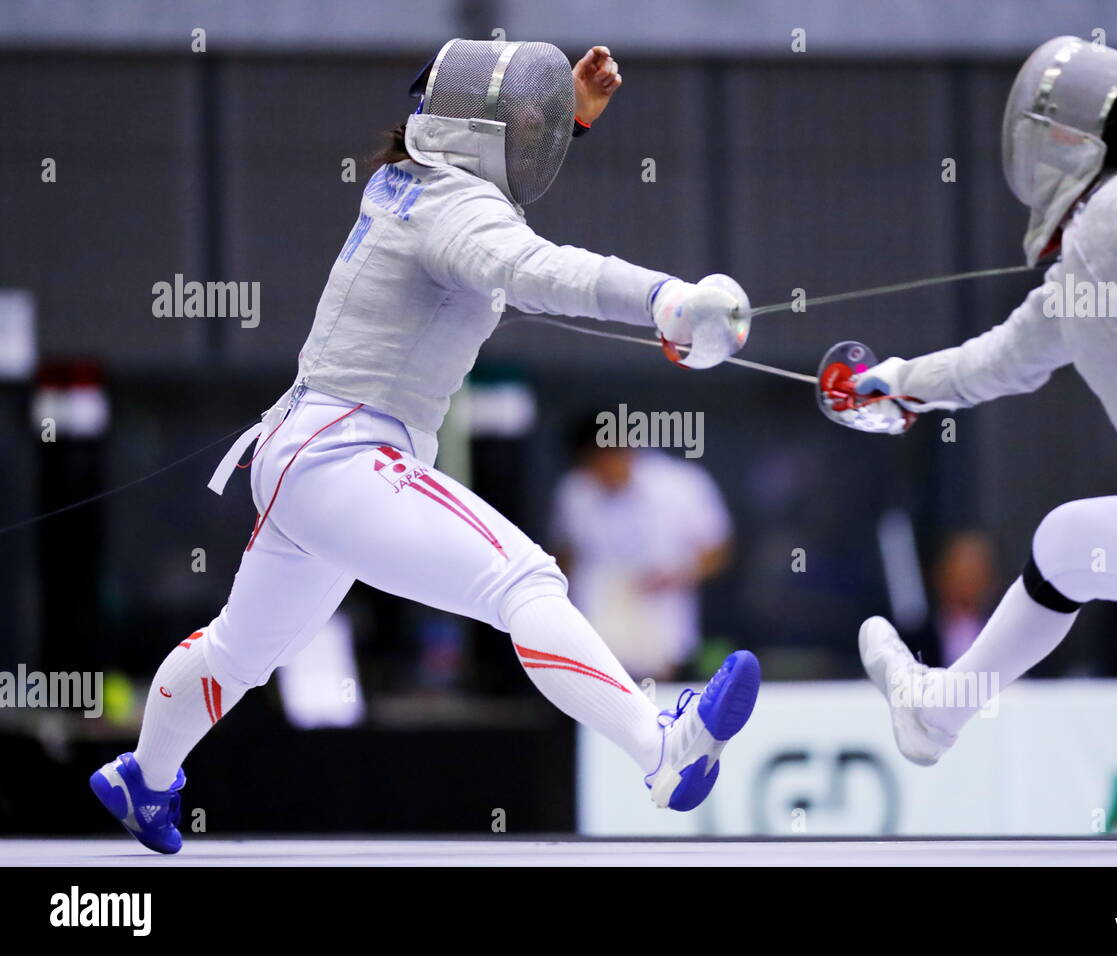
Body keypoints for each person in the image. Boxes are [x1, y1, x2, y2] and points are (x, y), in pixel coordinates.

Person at [90, 39, 760, 853]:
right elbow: (540, 271)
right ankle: (662, 752)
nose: (535, 136)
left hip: (306, 453)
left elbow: (498, 204)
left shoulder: (403, 182)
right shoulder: (454, 208)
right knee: (525, 579)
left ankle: (144, 778)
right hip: (349, 454)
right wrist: (668, 303)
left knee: (239, 651)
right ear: (478, 128)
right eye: (527, 123)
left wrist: (567, 121)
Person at [851, 36, 1117, 766]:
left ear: (1065, 138)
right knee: (1066, 546)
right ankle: (937, 712)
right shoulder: (1082, 274)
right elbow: (996, 361)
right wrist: (896, 385)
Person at [552, 417, 732, 681]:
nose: (598, 476)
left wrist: (678, 573)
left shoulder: (681, 484)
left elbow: (719, 550)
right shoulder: (575, 492)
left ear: (619, 450)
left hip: (663, 636)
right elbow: (565, 555)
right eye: (589, 469)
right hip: (598, 640)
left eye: (600, 465)